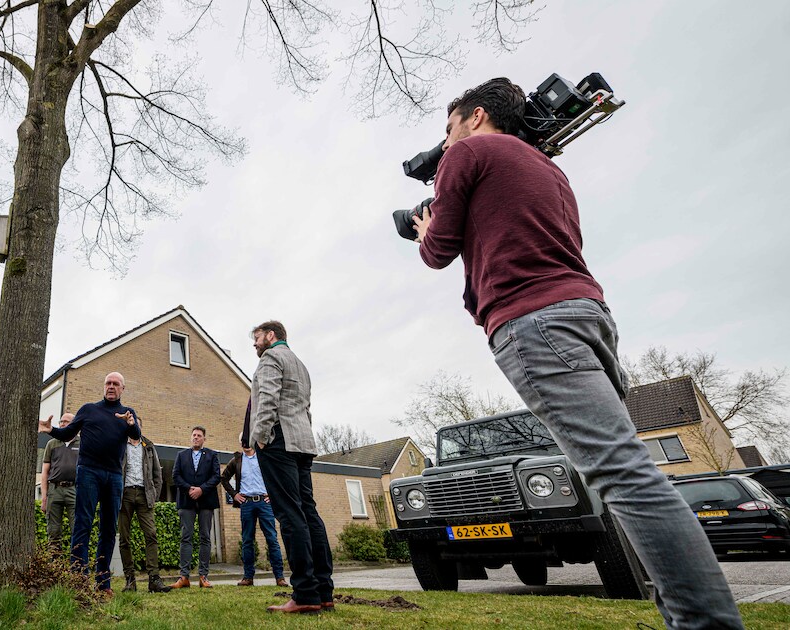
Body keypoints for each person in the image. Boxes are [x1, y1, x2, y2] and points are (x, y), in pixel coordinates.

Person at [410, 77, 743, 629]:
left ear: (473, 117)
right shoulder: (545, 169)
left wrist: (425, 226)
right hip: (587, 317)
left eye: (447, 130)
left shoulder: (469, 150)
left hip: (534, 323)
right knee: (625, 474)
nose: (444, 144)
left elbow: (437, 252)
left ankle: (706, 623)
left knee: (626, 476)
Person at [247, 320, 333, 614]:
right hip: (303, 443)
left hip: (278, 441)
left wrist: (259, 437)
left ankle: (305, 593)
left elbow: (268, 399)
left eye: (257, 337)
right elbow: (305, 407)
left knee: (289, 513)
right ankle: (323, 592)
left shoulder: (271, 357)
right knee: (309, 512)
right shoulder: (300, 363)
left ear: (271, 335)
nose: (255, 344)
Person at [39, 372, 140, 594]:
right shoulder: (88, 409)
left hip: (114, 476)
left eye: (115, 384)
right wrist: (51, 430)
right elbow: (68, 433)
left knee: (108, 527)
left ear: (123, 388)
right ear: (103, 387)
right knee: (82, 523)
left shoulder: (127, 413)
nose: (111, 386)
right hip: (88, 472)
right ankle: (79, 580)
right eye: (108, 383)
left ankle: (103, 583)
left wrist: (132, 424)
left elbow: (136, 436)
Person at [221, 430, 288, 587]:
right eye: (242, 440)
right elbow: (223, 478)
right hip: (247, 504)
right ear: (240, 443)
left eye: (247, 439)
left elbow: (278, 475)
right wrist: (234, 495)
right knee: (247, 540)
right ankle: (248, 577)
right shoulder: (236, 460)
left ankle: (280, 577)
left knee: (272, 538)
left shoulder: (263, 457)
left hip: (265, 504)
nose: (245, 443)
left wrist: (273, 494)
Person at [117, 430, 172, 593]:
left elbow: (157, 474)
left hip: (144, 495)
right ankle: (130, 580)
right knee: (124, 538)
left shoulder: (148, 446)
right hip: (124, 495)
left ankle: (154, 579)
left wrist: (153, 495)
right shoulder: (120, 444)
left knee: (151, 535)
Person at [170, 426, 220, 588]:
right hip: (186, 500)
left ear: (204, 439)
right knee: (186, 537)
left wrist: (201, 489)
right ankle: (184, 577)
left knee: (205, 537)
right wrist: (189, 488)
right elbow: (175, 476)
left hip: (206, 501)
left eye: (199, 435)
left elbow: (216, 476)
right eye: (194, 435)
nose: (196, 437)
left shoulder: (212, 455)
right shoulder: (181, 455)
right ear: (190, 437)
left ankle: (203, 576)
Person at [40, 413, 79, 551]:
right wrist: (44, 496)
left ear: (74, 424)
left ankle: (77, 566)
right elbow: (45, 472)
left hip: (74, 490)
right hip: (54, 490)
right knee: (53, 531)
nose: (62, 424)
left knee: (77, 529)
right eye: (61, 421)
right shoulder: (52, 443)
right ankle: (54, 566)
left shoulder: (83, 443)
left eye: (66, 422)